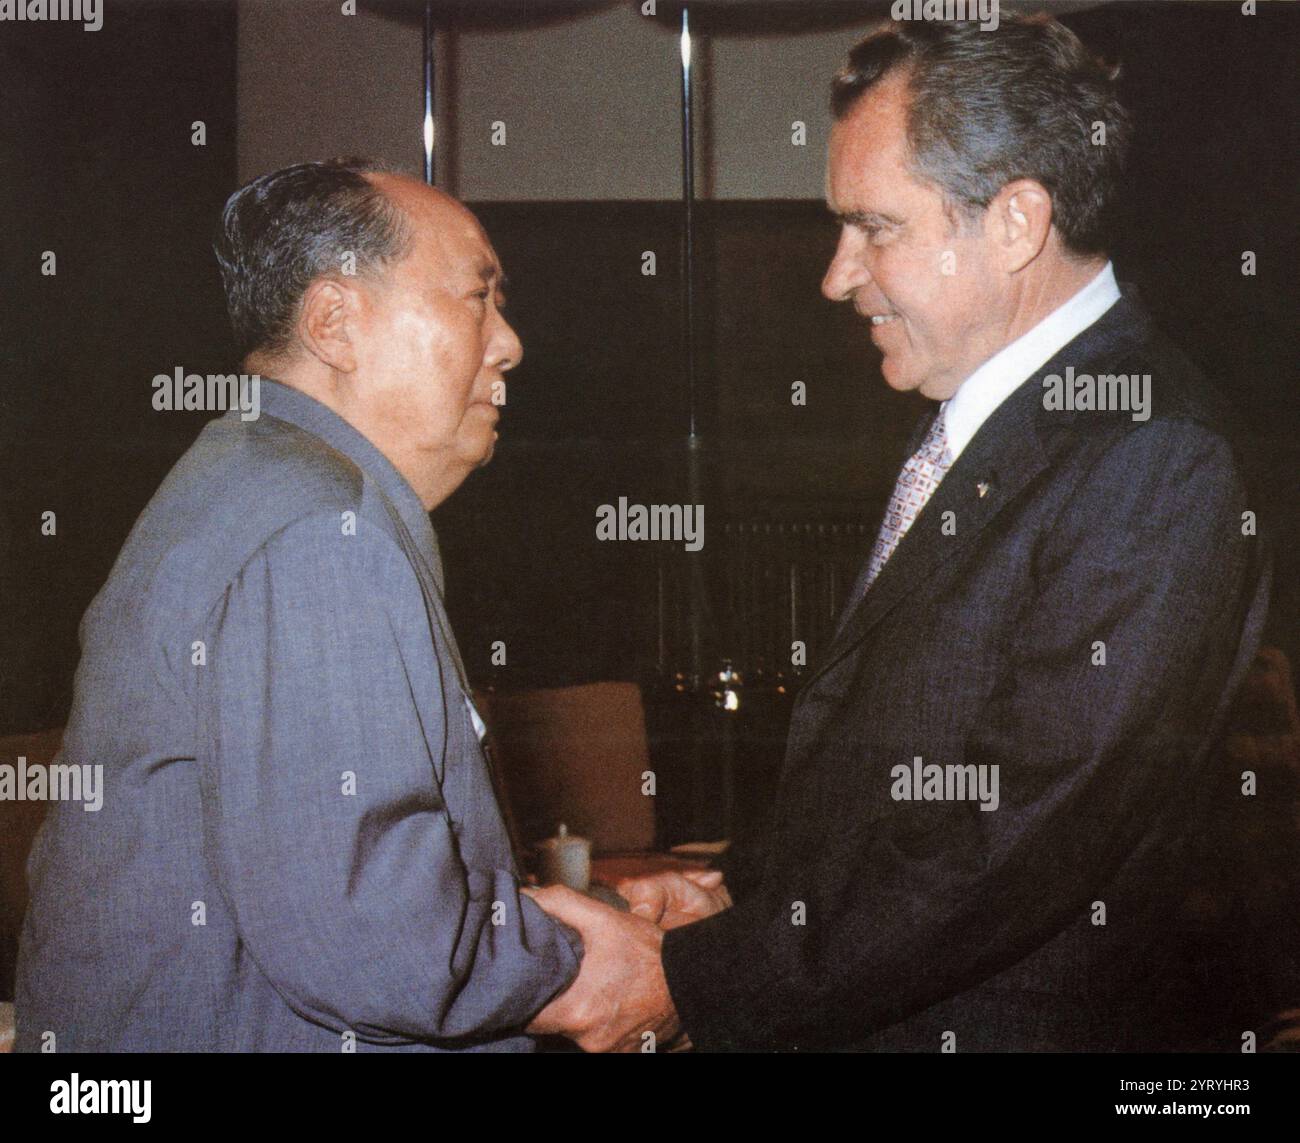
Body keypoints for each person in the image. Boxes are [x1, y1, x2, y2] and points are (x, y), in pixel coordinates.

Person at [529, 14, 1272, 1052]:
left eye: (874, 227)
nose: (837, 275)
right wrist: (739, 896)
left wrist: (698, 982)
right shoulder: (1008, 419)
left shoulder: (1153, 456)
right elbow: (903, 772)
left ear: (1014, 223)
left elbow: (1017, 832)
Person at [16, 159, 583, 1051]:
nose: (508, 341)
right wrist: (584, 958)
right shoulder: (320, 527)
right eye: (479, 298)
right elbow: (378, 943)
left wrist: (574, 913)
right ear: (334, 322)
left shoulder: (256, 478)